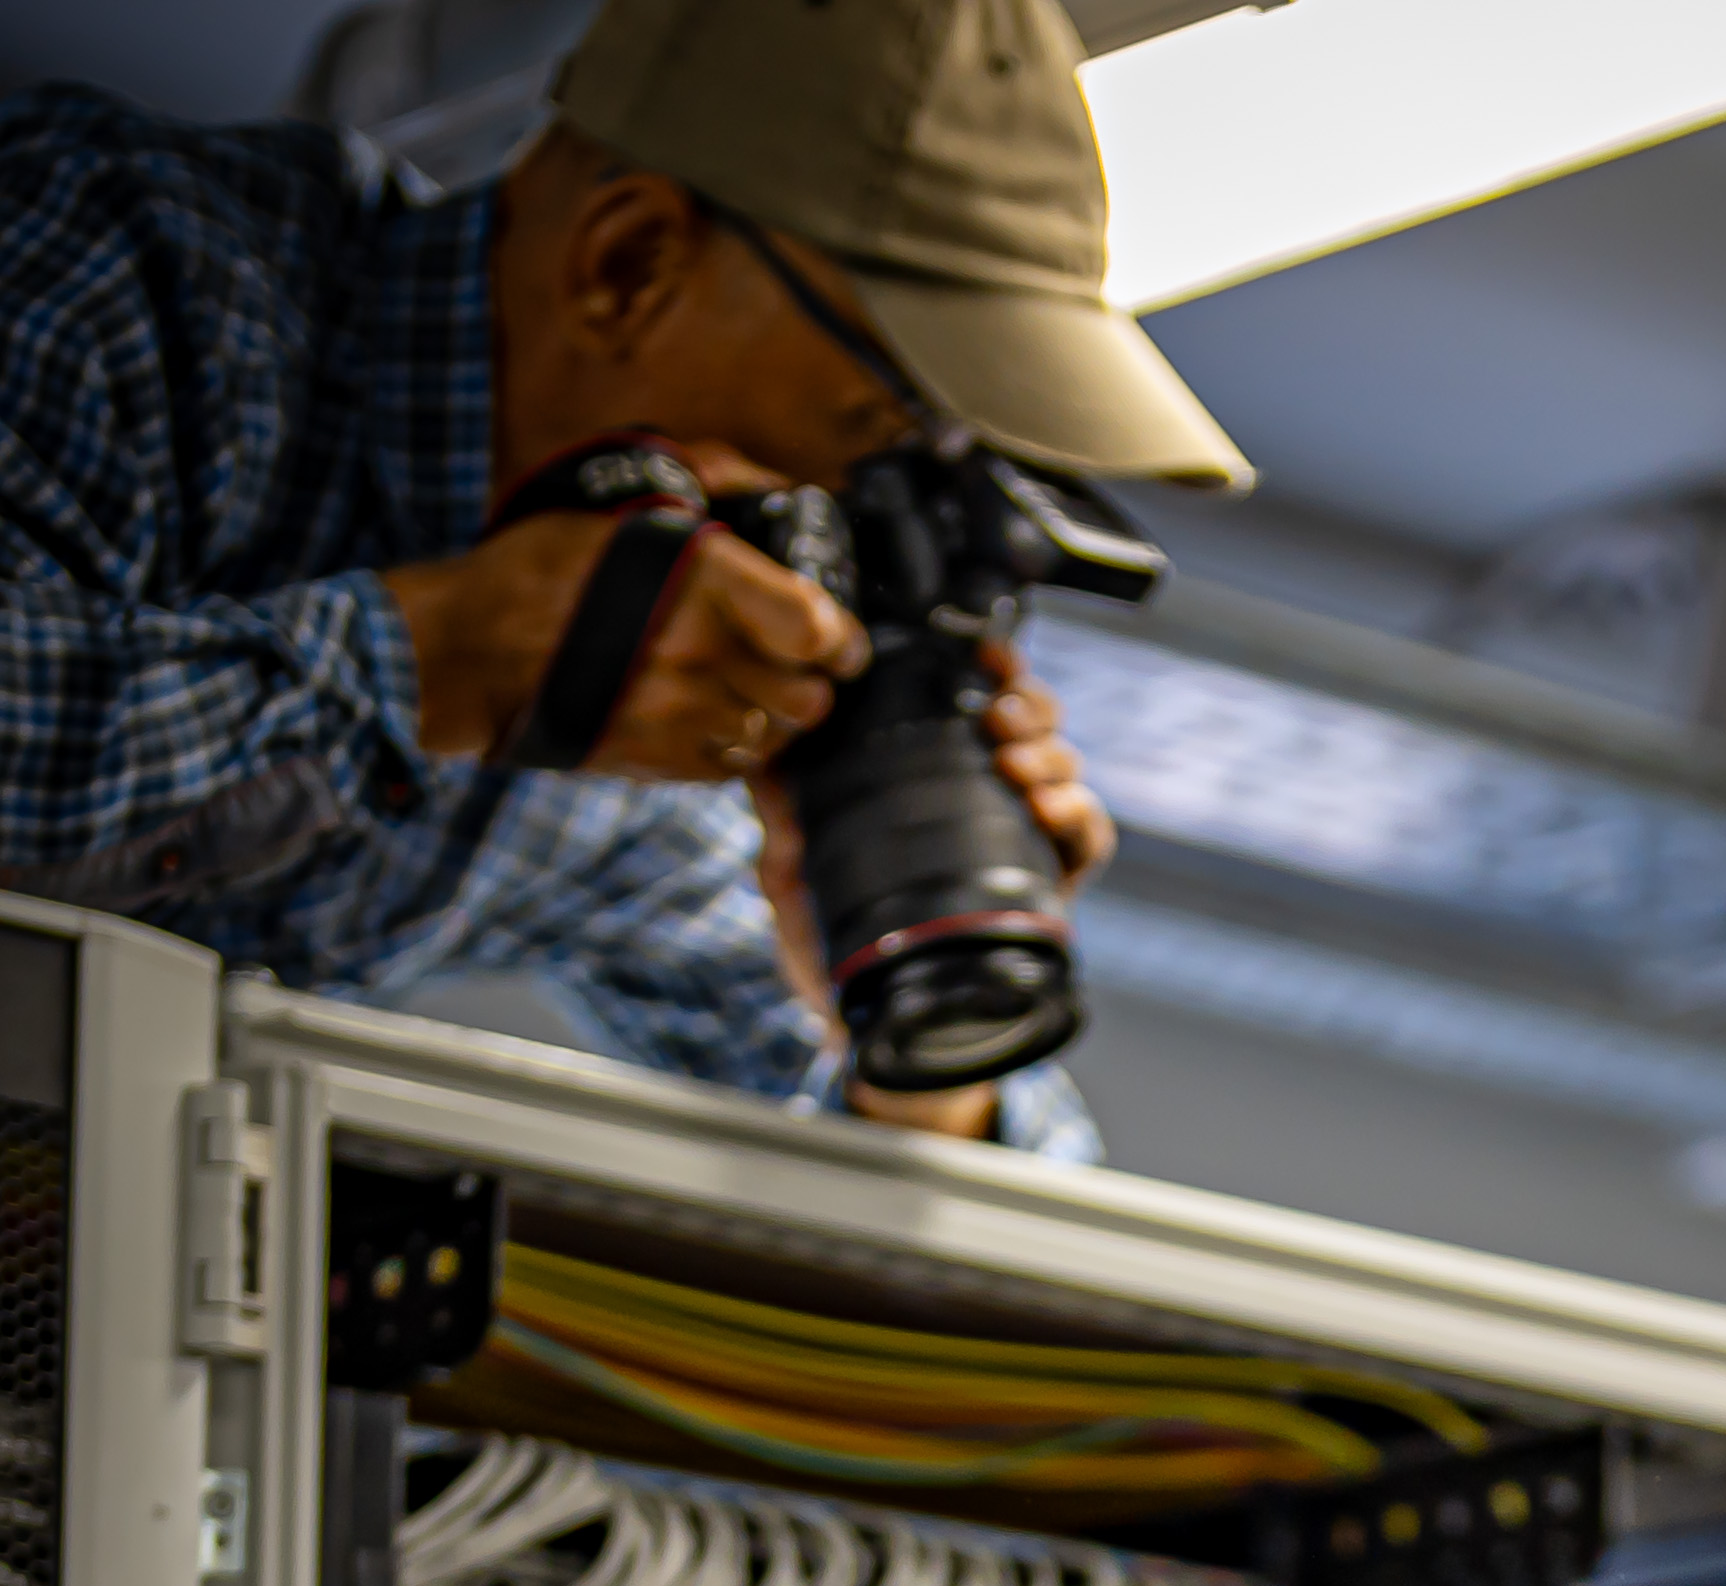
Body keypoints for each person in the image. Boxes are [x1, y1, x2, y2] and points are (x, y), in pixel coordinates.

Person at [0, 0, 1247, 1141]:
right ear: (628, 263)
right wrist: (426, 662)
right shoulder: (125, 267)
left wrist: (896, 977)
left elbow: (973, 1248)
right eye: (886, 428)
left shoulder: (642, 748)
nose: (893, 509)